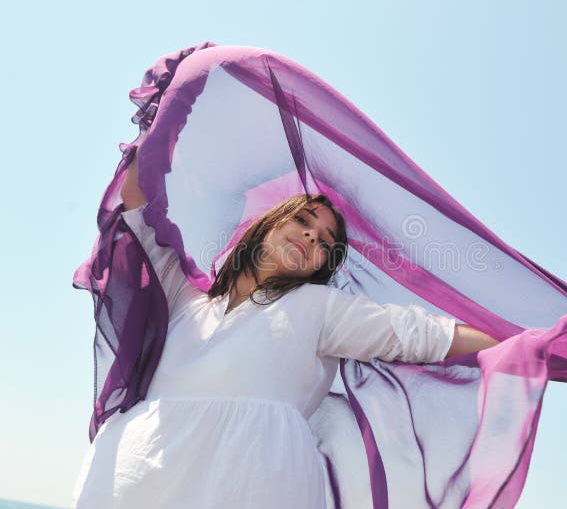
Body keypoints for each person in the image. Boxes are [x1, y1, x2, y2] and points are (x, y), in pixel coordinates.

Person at [70, 154, 501, 508]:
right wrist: (170, 103)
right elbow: (135, 203)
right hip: (138, 473)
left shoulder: (321, 308)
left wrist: (523, 347)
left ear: (321, 265)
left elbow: (422, 335)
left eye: (326, 243)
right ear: (270, 223)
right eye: (304, 221)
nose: (313, 237)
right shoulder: (183, 296)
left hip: (253, 485)